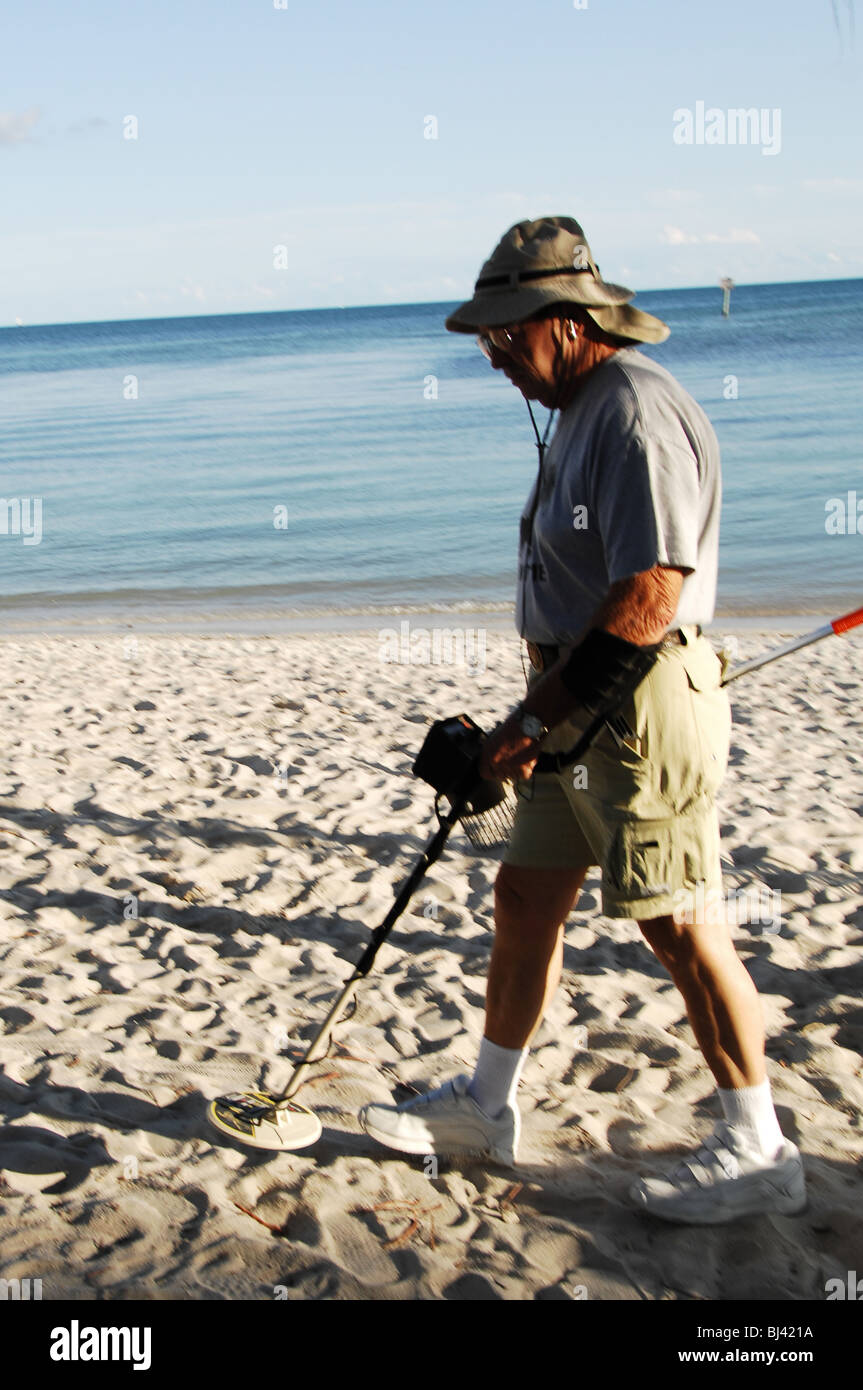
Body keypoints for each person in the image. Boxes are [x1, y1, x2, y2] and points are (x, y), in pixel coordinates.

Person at [359, 216, 807, 1224]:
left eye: (504, 336)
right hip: (570, 707)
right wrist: (531, 719)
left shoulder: (635, 413)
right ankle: (487, 1105)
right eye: (483, 339)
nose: (492, 357)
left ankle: (757, 1145)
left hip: (636, 704)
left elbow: (647, 596)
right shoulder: (583, 408)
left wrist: (525, 723)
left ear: (564, 322)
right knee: (524, 900)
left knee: (678, 921)